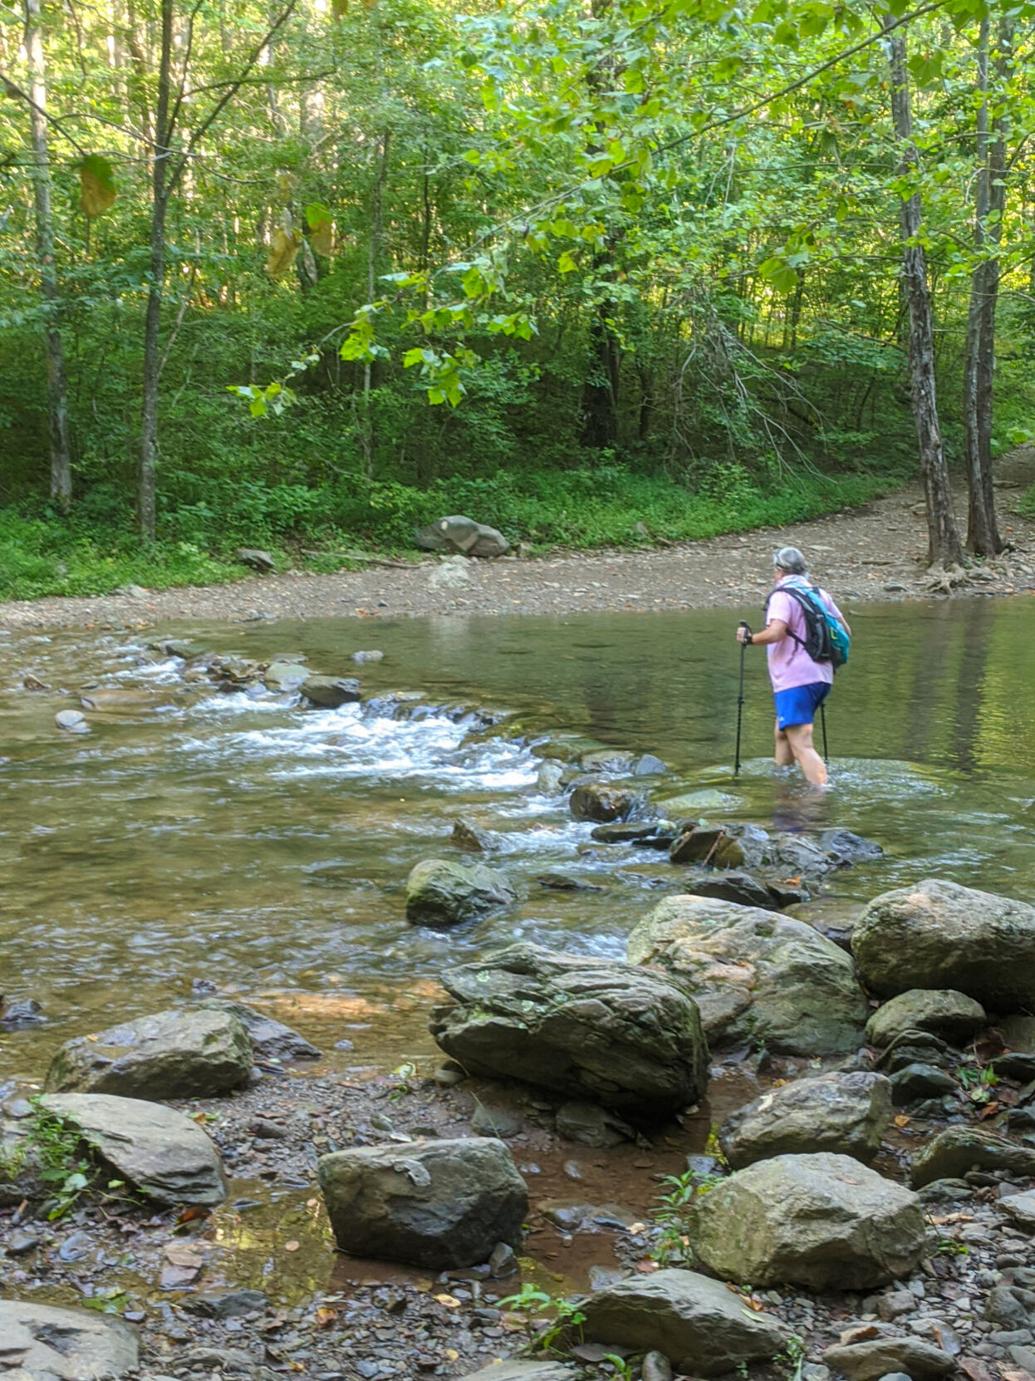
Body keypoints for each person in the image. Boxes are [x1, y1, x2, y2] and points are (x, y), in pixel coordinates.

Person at [735, 546, 850, 788]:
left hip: (795, 678)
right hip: (822, 675)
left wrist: (749, 638)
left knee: (801, 743)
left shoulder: (782, 595)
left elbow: (776, 633)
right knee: (783, 733)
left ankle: (820, 795)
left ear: (778, 571)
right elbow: (845, 631)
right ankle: (784, 789)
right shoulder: (818, 593)